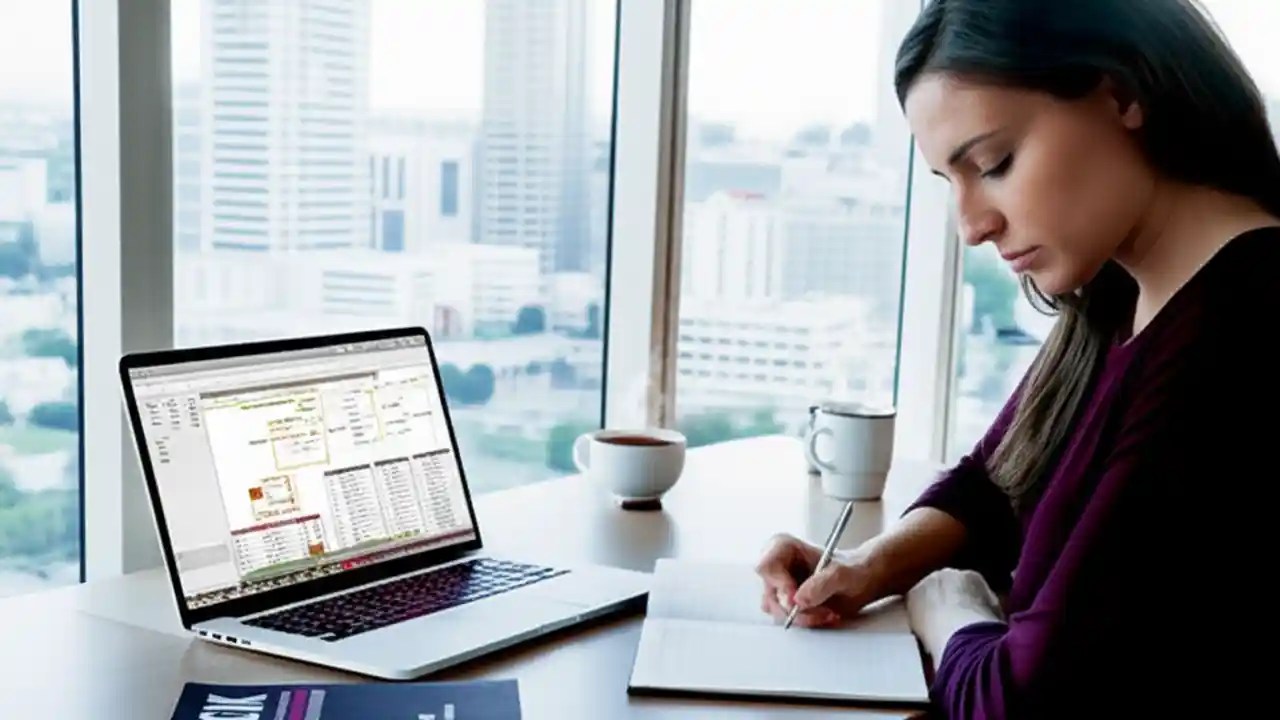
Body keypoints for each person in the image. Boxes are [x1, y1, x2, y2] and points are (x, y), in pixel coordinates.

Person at [755, 0, 1279, 717]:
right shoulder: (1122, 293)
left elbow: (1020, 701)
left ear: (1122, 94)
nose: (972, 226)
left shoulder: (1240, 331)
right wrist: (865, 566)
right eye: (951, 182)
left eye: (993, 164)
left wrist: (950, 612)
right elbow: (998, 484)